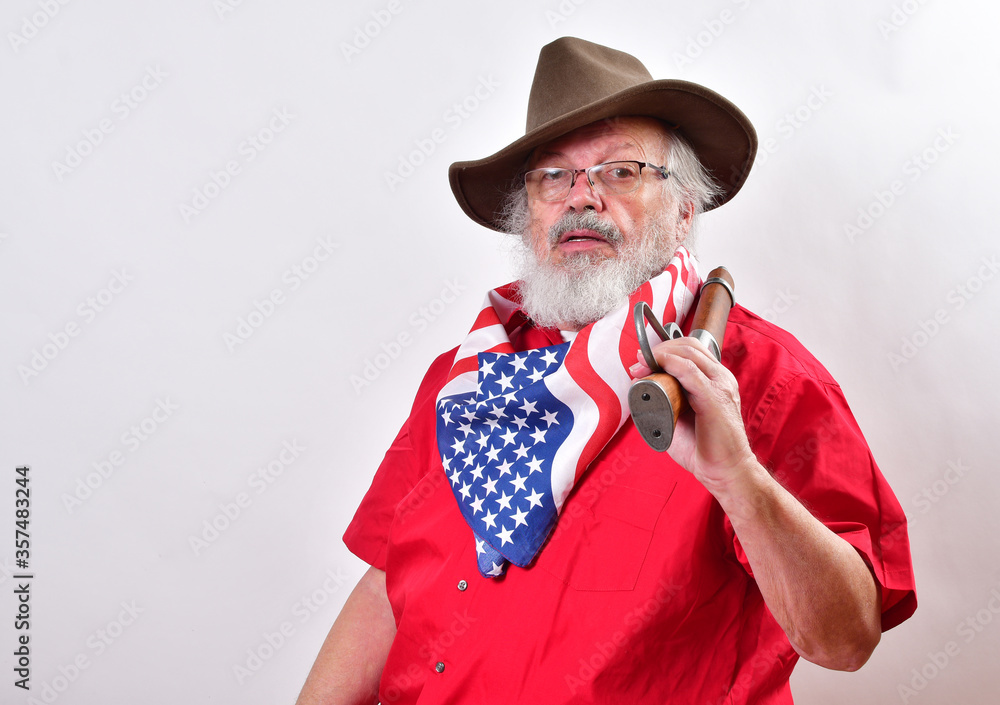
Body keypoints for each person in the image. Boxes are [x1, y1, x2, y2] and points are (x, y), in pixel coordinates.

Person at [296, 37, 916, 704]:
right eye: (553, 176)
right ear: (527, 216)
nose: (581, 198)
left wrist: (738, 479)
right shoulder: (464, 377)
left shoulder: (760, 378)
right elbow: (388, 583)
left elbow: (845, 641)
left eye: (620, 171)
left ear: (683, 211)